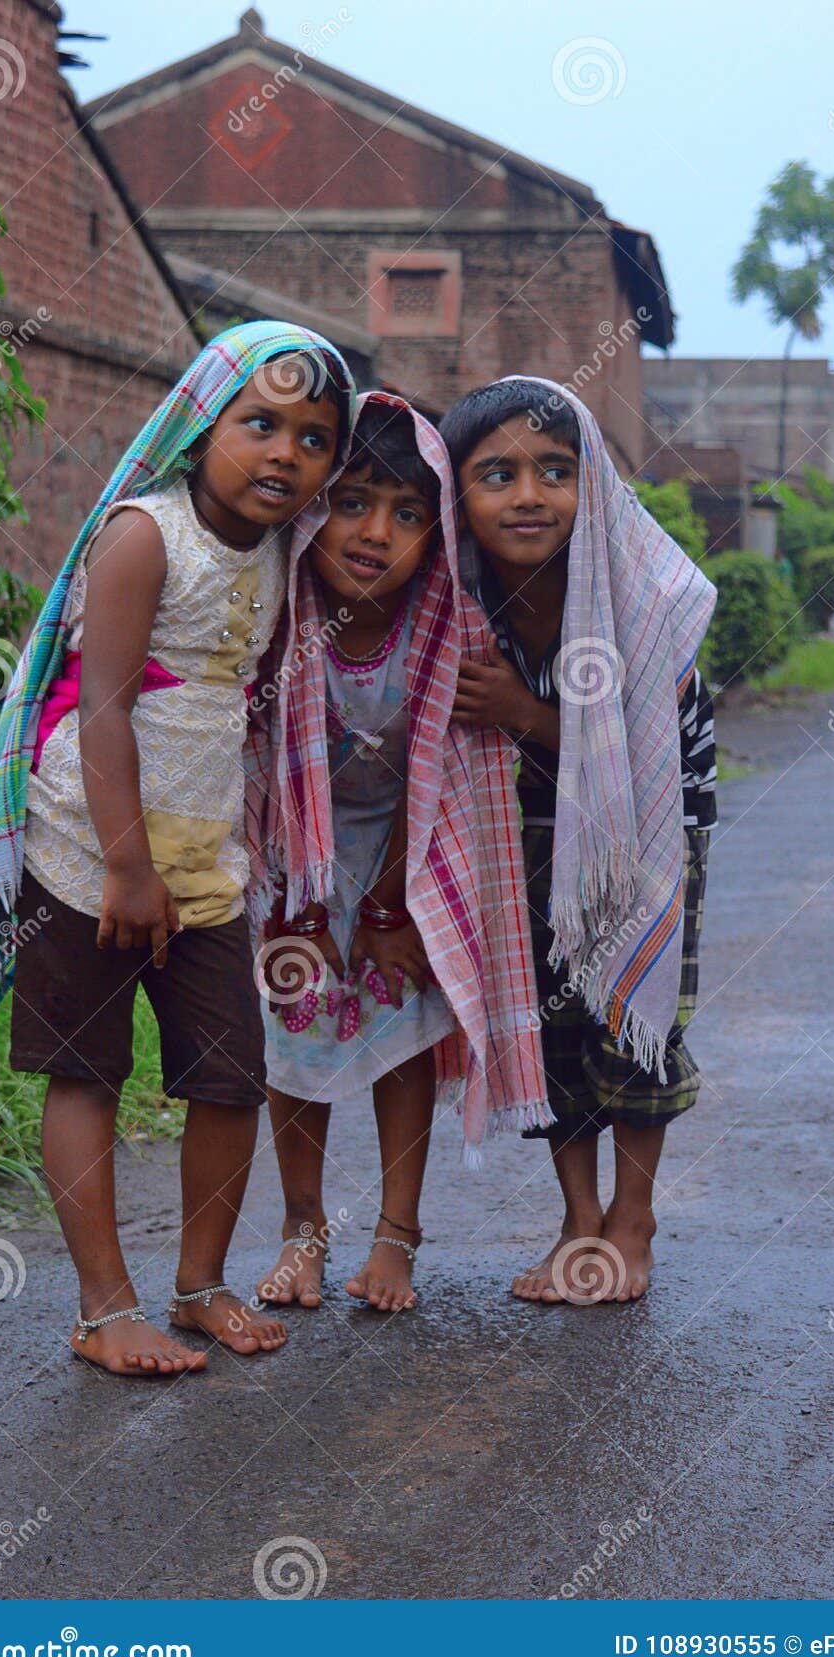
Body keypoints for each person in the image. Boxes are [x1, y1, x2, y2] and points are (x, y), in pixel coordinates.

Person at [0, 322, 356, 1376]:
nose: (284, 452)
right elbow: (100, 710)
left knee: (227, 1076)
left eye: (313, 438)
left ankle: (197, 1285)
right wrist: (127, 866)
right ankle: (102, 1309)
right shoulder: (145, 534)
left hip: (206, 868)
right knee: (85, 1075)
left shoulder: (275, 552)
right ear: (198, 425)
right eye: (259, 424)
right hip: (86, 856)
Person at [251, 394, 550, 1312]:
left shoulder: (446, 629)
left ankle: (397, 1235)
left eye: (409, 514)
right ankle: (303, 1230)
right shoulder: (278, 611)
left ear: (439, 533)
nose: (376, 533)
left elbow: (445, 779)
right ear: (314, 511)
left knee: (403, 1035)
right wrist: (299, 901)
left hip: (407, 858)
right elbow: (250, 759)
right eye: (353, 503)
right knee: (287, 1034)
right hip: (288, 856)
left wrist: (388, 906)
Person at [440, 378, 716, 1305]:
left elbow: (657, 755)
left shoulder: (641, 585)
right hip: (518, 821)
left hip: (649, 826)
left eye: (555, 471)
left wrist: (527, 714)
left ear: (589, 481)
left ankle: (631, 1225)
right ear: (458, 496)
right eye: (498, 474)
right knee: (550, 1019)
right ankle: (577, 1220)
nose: (529, 494)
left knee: (629, 1015)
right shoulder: (456, 592)